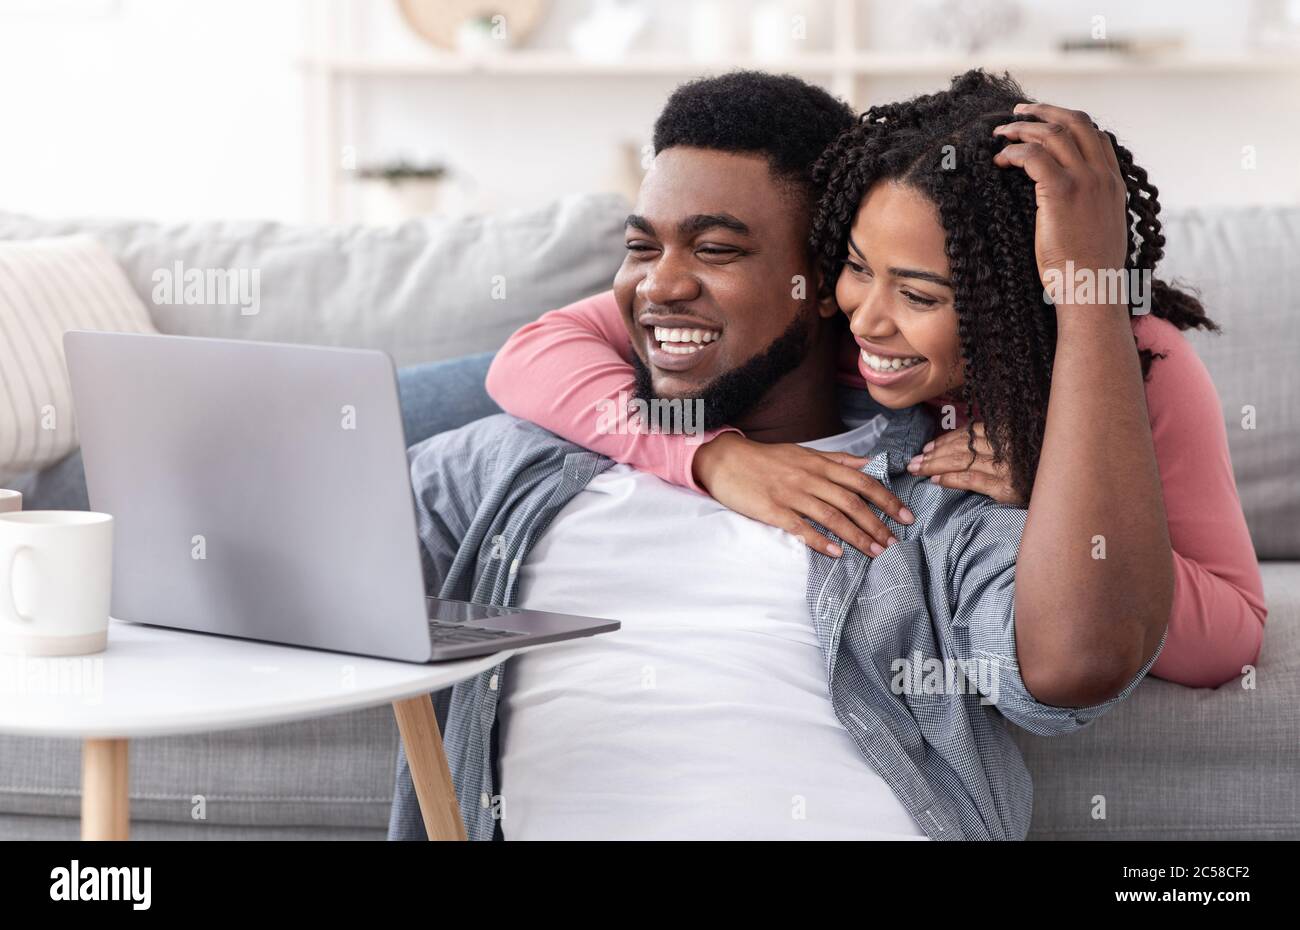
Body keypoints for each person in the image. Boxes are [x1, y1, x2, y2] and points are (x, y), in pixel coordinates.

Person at [387, 71, 1163, 842]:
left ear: (825, 284)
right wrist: (713, 460)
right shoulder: (517, 462)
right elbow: (295, 554)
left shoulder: (935, 487)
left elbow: (1078, 662)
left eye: (717, 248)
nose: (661, 284)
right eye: (639, 246)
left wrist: (1087, 290)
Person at [482, 71, 1265, 689]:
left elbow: (1229, 636)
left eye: (920, 296)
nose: (866, 322)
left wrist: (1062, 489)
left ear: (1017, 302)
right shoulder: (815, 317)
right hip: (601, 395)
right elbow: (529, 355)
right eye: (855, 270)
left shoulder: (1140, 363)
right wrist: (713, 457)